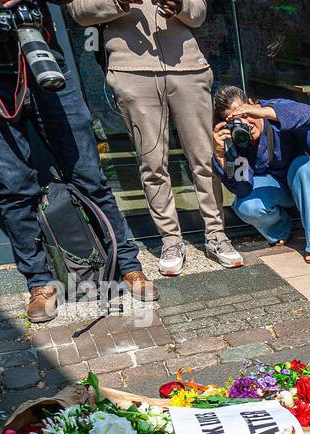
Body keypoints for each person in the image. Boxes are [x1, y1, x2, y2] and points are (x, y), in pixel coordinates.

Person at [0, 0, 156, 321]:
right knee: (14, 184)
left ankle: (128, 265)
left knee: (89, 174)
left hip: (40, 48)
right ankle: (40, 282)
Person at [70, 0, 244, 275]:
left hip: (189, 69)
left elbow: (198, 14)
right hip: (131, 71)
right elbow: (80, 12)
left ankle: (216, 235)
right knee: (153, 164)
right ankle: (171, 240)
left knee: (204, 159)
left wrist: (180, 5)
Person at [210, 86, 310, 263]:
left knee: (301, 167)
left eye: (245, 115)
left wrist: (263, 112)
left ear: (252, 104)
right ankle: (281, 228)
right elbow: (242, 188)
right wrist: (221, 154)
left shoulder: (274, 108)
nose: (244, 124)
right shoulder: (238, 140)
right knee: (246, 205)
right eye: (235, 121)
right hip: (283, 191)